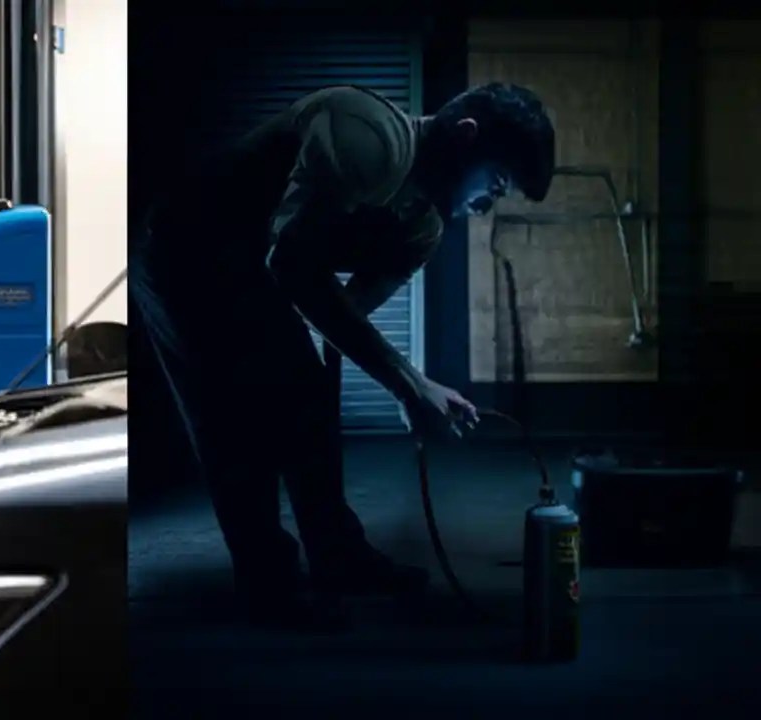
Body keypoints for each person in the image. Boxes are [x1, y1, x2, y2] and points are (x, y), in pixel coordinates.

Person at [130, 82, 556, 626]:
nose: (492, 200)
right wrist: (406, 382)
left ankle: (338, 554)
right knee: (230, 415)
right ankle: (268, 585)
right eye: (497, 179)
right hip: (183, 244)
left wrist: (414, 387)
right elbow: (292, 265)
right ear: (464, 135)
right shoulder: (369, 136)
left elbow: (339, 319)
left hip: (256, 267)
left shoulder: (421, 229)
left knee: (306, 388)